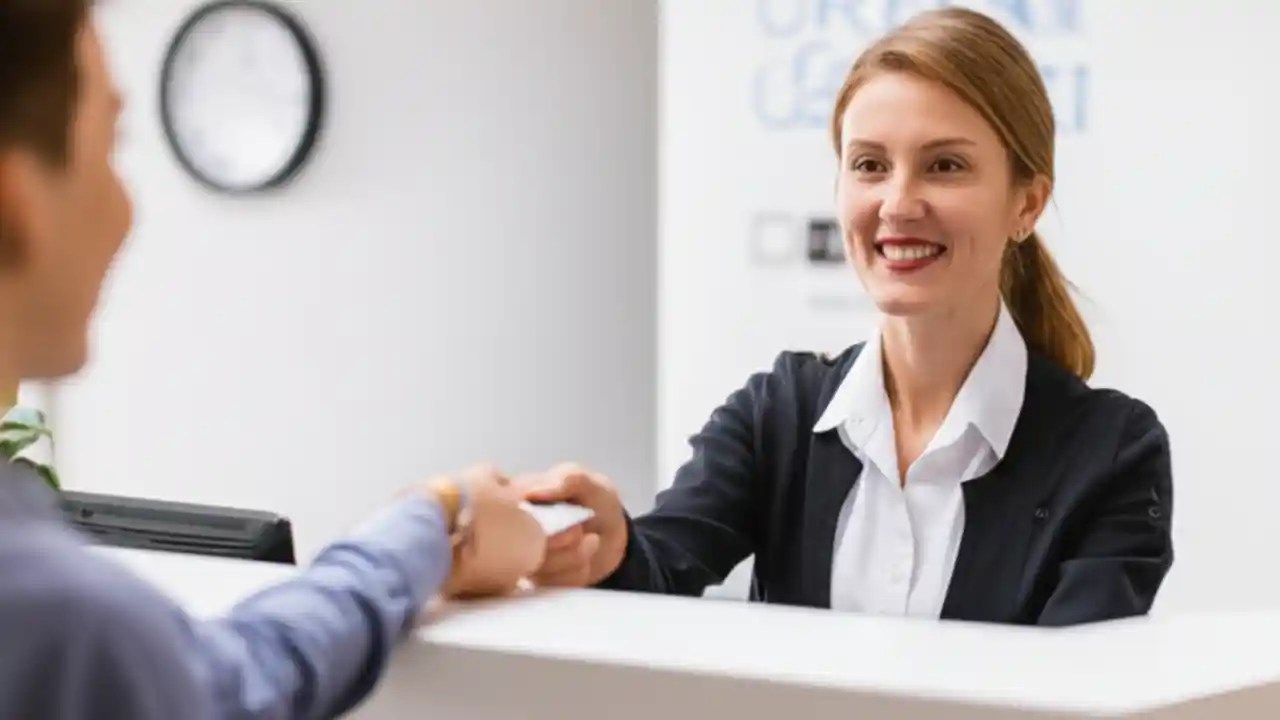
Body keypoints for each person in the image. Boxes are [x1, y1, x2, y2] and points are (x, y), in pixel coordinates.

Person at [525, 7, 1174, 626]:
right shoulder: (775, 414)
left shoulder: (1112, 454)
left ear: (1026, 204)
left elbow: (1076, 695)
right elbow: (658, 569)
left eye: (944, 166)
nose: (897, 203)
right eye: (869, 165)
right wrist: (606, 547)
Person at [0, 2, 546, 718]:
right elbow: (243, 684)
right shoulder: (66, 631)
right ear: (16, 205)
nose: (127, 209)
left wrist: (425, 520)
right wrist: (431, 520)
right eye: (111, 144)